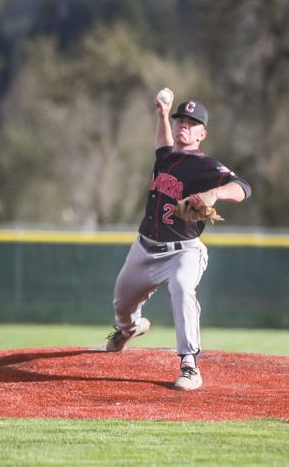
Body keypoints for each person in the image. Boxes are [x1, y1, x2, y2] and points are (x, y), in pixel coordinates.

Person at [104, 89, 252, 391]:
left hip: (182, 253)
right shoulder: (166, 158)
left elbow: (243, 187)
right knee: (122, 306)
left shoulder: (206, 165)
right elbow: (162, 144)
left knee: (183, 288)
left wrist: (215, 192)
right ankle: (130, 329)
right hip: (144, 249)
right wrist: (162, 113)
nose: (183, 124)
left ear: (202, 133)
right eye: (180, 120)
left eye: (191, 121)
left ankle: (189, 365)